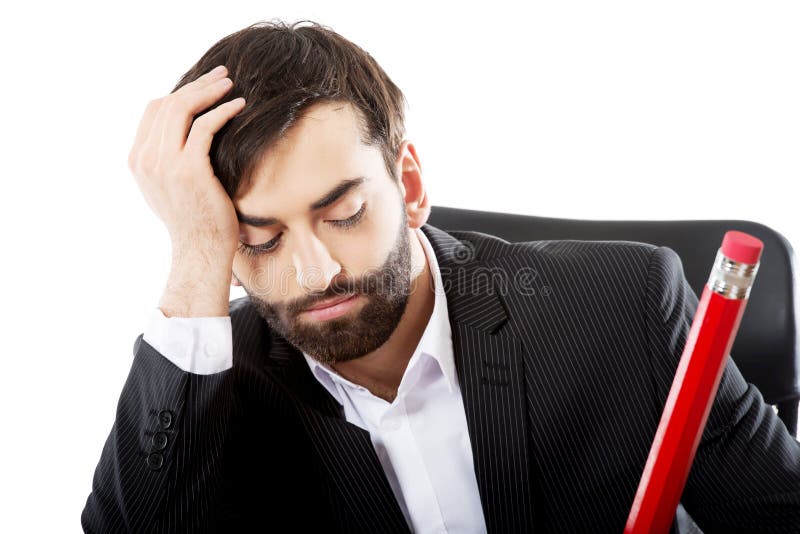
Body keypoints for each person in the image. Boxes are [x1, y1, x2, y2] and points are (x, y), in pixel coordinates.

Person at [81, 19, 800, 533]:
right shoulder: (206, 388)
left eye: (344, 214)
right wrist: (195, 256)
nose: (313, 271)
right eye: (257, 239)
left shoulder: (627, 307)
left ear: (411, 185)